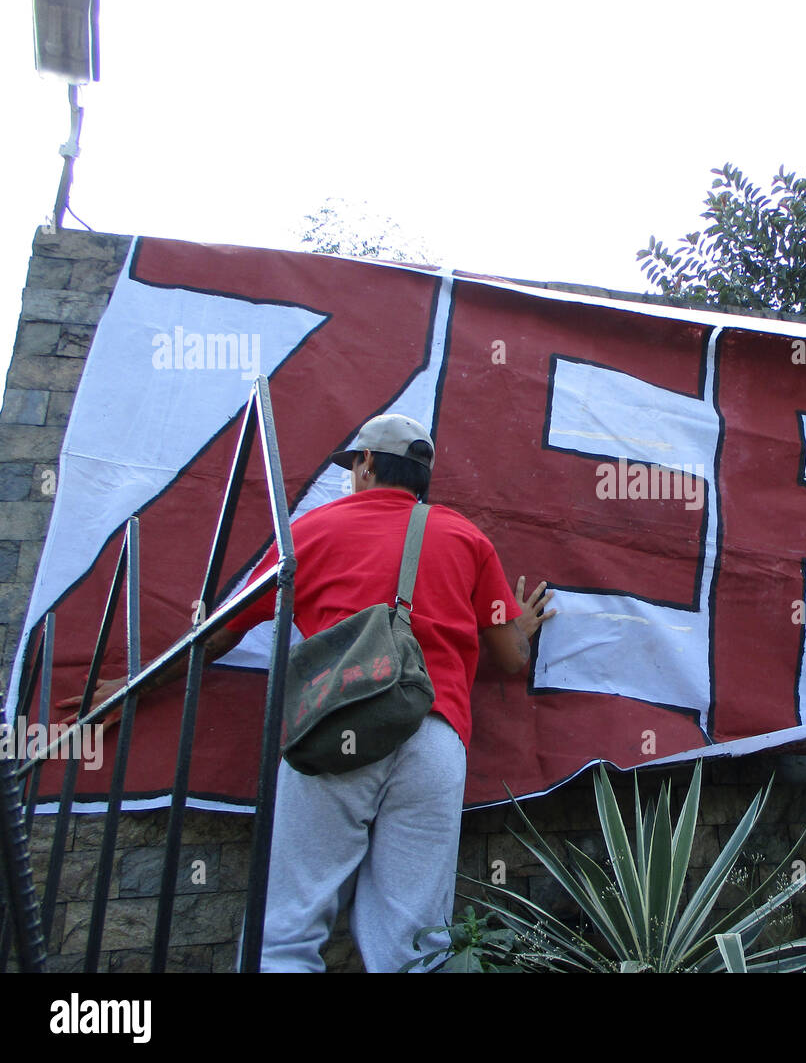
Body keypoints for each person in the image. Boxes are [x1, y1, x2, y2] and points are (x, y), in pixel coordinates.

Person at [70, 413, 555, 972]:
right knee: (416, 946)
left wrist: (134, 685)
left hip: (337, 727)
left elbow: (219, 635)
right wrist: (520, 623)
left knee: (288, 934)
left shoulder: (310, 532)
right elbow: (510, 658)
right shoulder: (466, 538)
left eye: (354, 465)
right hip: (435, 739)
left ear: (367, 462)